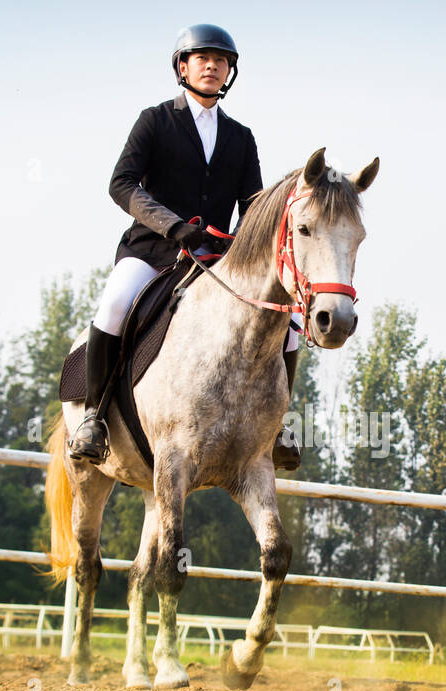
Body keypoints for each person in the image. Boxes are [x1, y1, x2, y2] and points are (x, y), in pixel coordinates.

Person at [68, 23, 303, 469]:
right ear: (183, 67)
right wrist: (173, 226)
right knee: (115, 303)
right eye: (202, 58)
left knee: (287, 319)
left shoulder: (241, 136)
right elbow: (121, 184)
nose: (212, 65)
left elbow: (252, 205)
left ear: (229, 71)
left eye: (221, 60)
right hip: (153, 250)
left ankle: (278, 425)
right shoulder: (155, 120)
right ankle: (94, 419)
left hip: (215, 259)